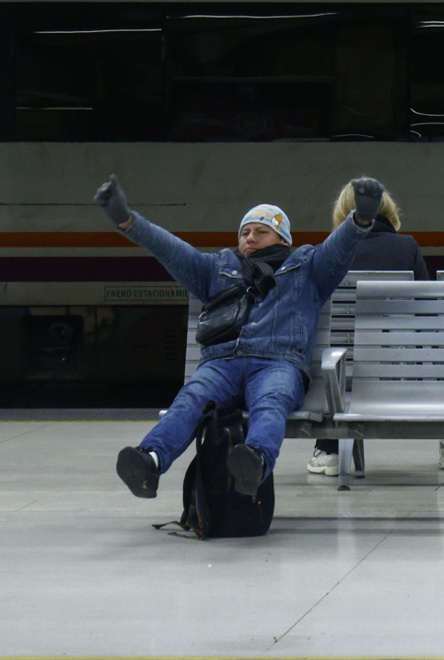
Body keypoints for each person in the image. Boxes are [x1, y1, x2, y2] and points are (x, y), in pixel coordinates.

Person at [101, 173, 379, 500]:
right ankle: (150, 460)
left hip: (278, 363)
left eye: (261, 231)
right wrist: (128, 220)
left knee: (271, 401)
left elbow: (340, 247)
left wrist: (360, 219)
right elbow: (171, 250)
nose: (249, 237)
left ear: (283, 238)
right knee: (193, 397)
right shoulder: (219, 266)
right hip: (221, 363)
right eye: (244, 232)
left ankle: (255, 461)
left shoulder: (307, 265)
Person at [307, 181, 430, 476]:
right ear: (388, 211)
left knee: (332, 353)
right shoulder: (407, 247)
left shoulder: (326, 251)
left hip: (332, 372)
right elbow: (427, 313)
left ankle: (329, 448)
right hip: (394, 370)